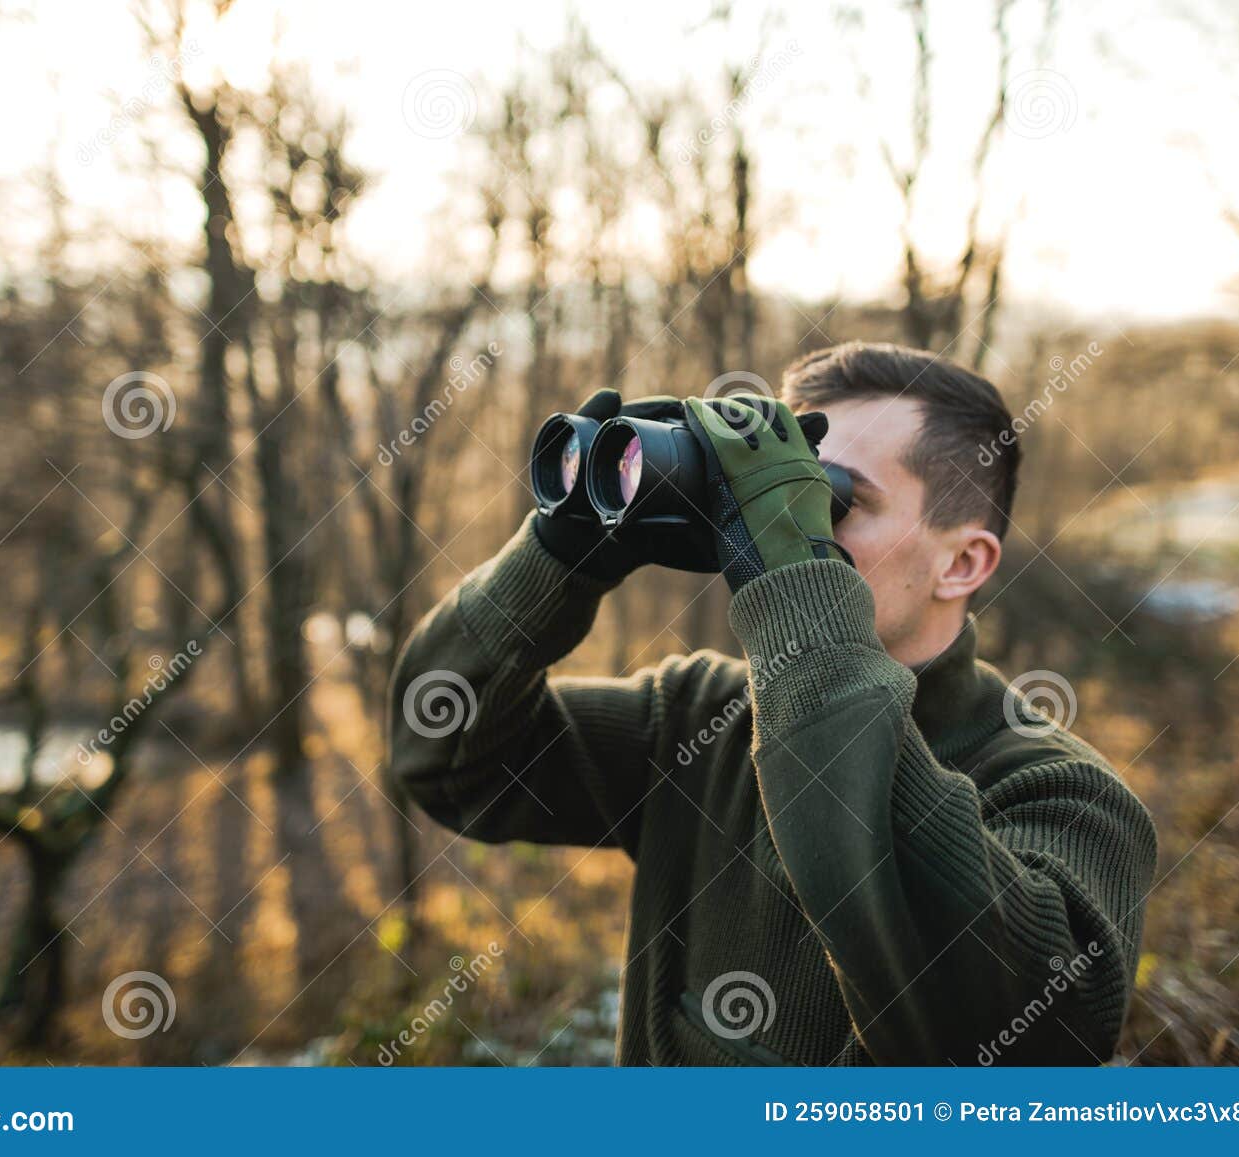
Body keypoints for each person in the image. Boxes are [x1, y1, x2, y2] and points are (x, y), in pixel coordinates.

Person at [387, 340, 1158, 1065]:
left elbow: (1013, 1039)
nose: (786, 520)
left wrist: (799, 586)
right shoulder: (703, 720)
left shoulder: (1068, 798)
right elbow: (450, 760)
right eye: (778, 482)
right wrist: (563, 553)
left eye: (831, 498)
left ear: (962, 561)